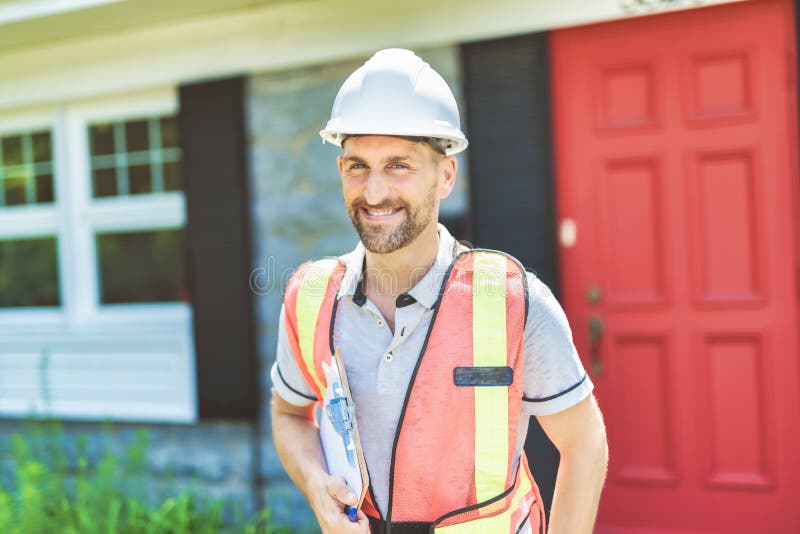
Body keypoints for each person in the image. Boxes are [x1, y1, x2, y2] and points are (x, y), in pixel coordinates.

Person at [270, 48, 608, 534]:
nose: (373, 191)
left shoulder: (514, 301)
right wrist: (315, 484)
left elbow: (585, 444)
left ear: (445, 175)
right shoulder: (309, 298)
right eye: (357, 166)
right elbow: (288, 413)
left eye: (399, 165)